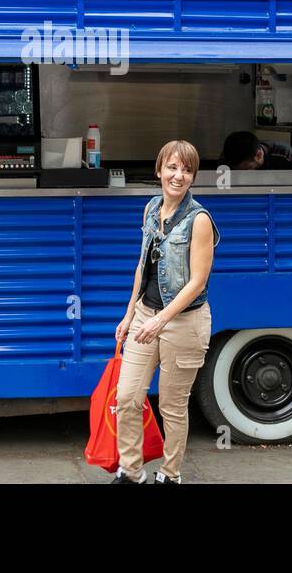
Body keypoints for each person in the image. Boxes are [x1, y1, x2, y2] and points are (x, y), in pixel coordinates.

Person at [111, 139, 218, 484]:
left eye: (187, 170)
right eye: (172, 167)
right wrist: (130, 314)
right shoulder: (151, 209)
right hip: (145, 317)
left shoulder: (199, 220)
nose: (179, 175)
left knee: (172, 406)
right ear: (159, 170)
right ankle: (131, 471)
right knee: (127, 397)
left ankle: (170, 475)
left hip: (183, 324)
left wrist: (161, 319)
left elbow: (197, 282)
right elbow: (143, 266)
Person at [219, 130, 292, 171]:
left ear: (259, 155)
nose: (243, 176)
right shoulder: (226, 158)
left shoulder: (285, 155)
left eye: (248, 168)